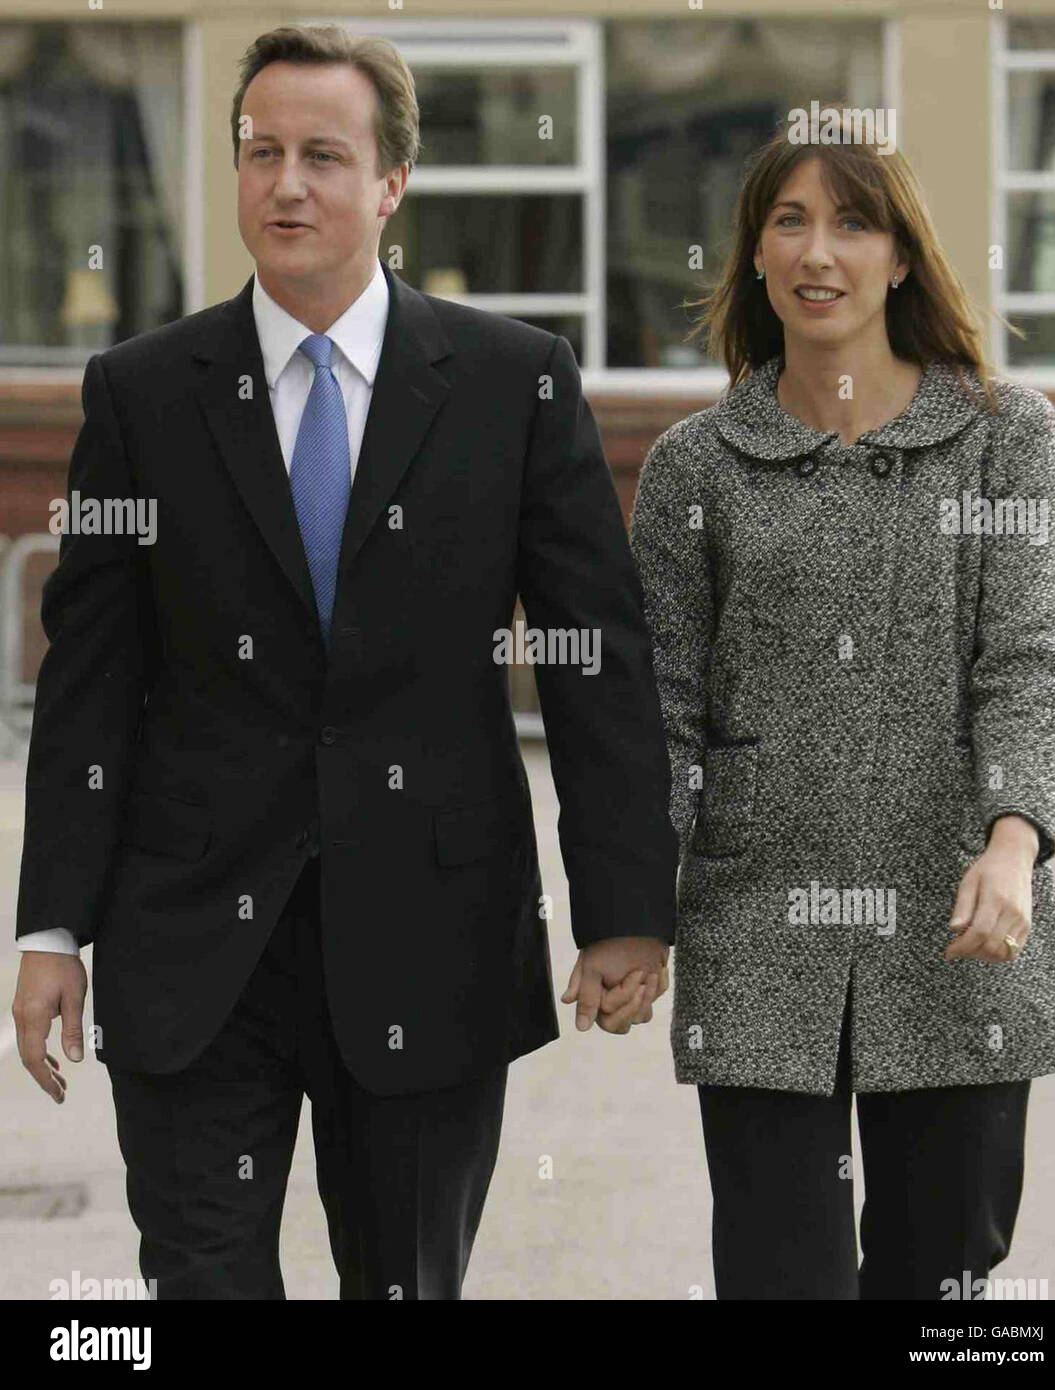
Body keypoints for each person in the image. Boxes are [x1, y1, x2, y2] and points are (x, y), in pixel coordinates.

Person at [11, 23, 675, 1301]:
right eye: (262, 152)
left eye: (323, 154)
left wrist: (624, 905)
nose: (287, 184)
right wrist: (53, 926)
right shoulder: (140, 394)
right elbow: (86, 683)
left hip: (431, 933)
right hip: (194, 941)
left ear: (391, 183)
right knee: (199, 1285)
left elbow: (597, 660)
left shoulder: (513, 382)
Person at [628, 110, 1055, 1300]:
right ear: (753, 257)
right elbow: (663, 708)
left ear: (899, 256)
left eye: (851, 221)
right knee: (781, 1279)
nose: (816, 251)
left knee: (942, 1284)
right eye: (788, 222)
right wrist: (631, 911)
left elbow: (1030, 654)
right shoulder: (694, 465)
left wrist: (1009, 841)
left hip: (958, 925)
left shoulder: (1000, 436)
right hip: (758, 931)